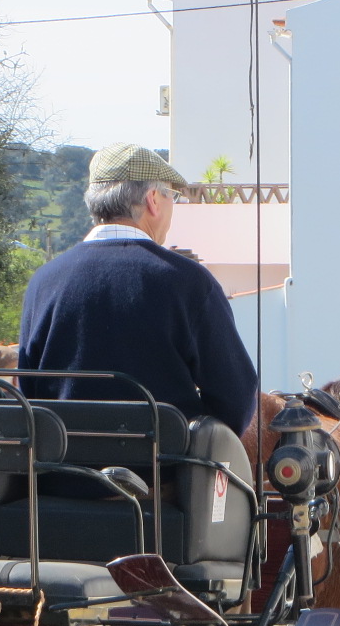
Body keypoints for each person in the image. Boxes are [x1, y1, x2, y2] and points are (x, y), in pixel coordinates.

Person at [18, 143, 258, 433]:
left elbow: (29, 391)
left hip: (64, 472)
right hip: (163, 474)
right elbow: (236, 398)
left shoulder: (43, 282)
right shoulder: (188, 282)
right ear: (153, 199)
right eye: (173, 196)